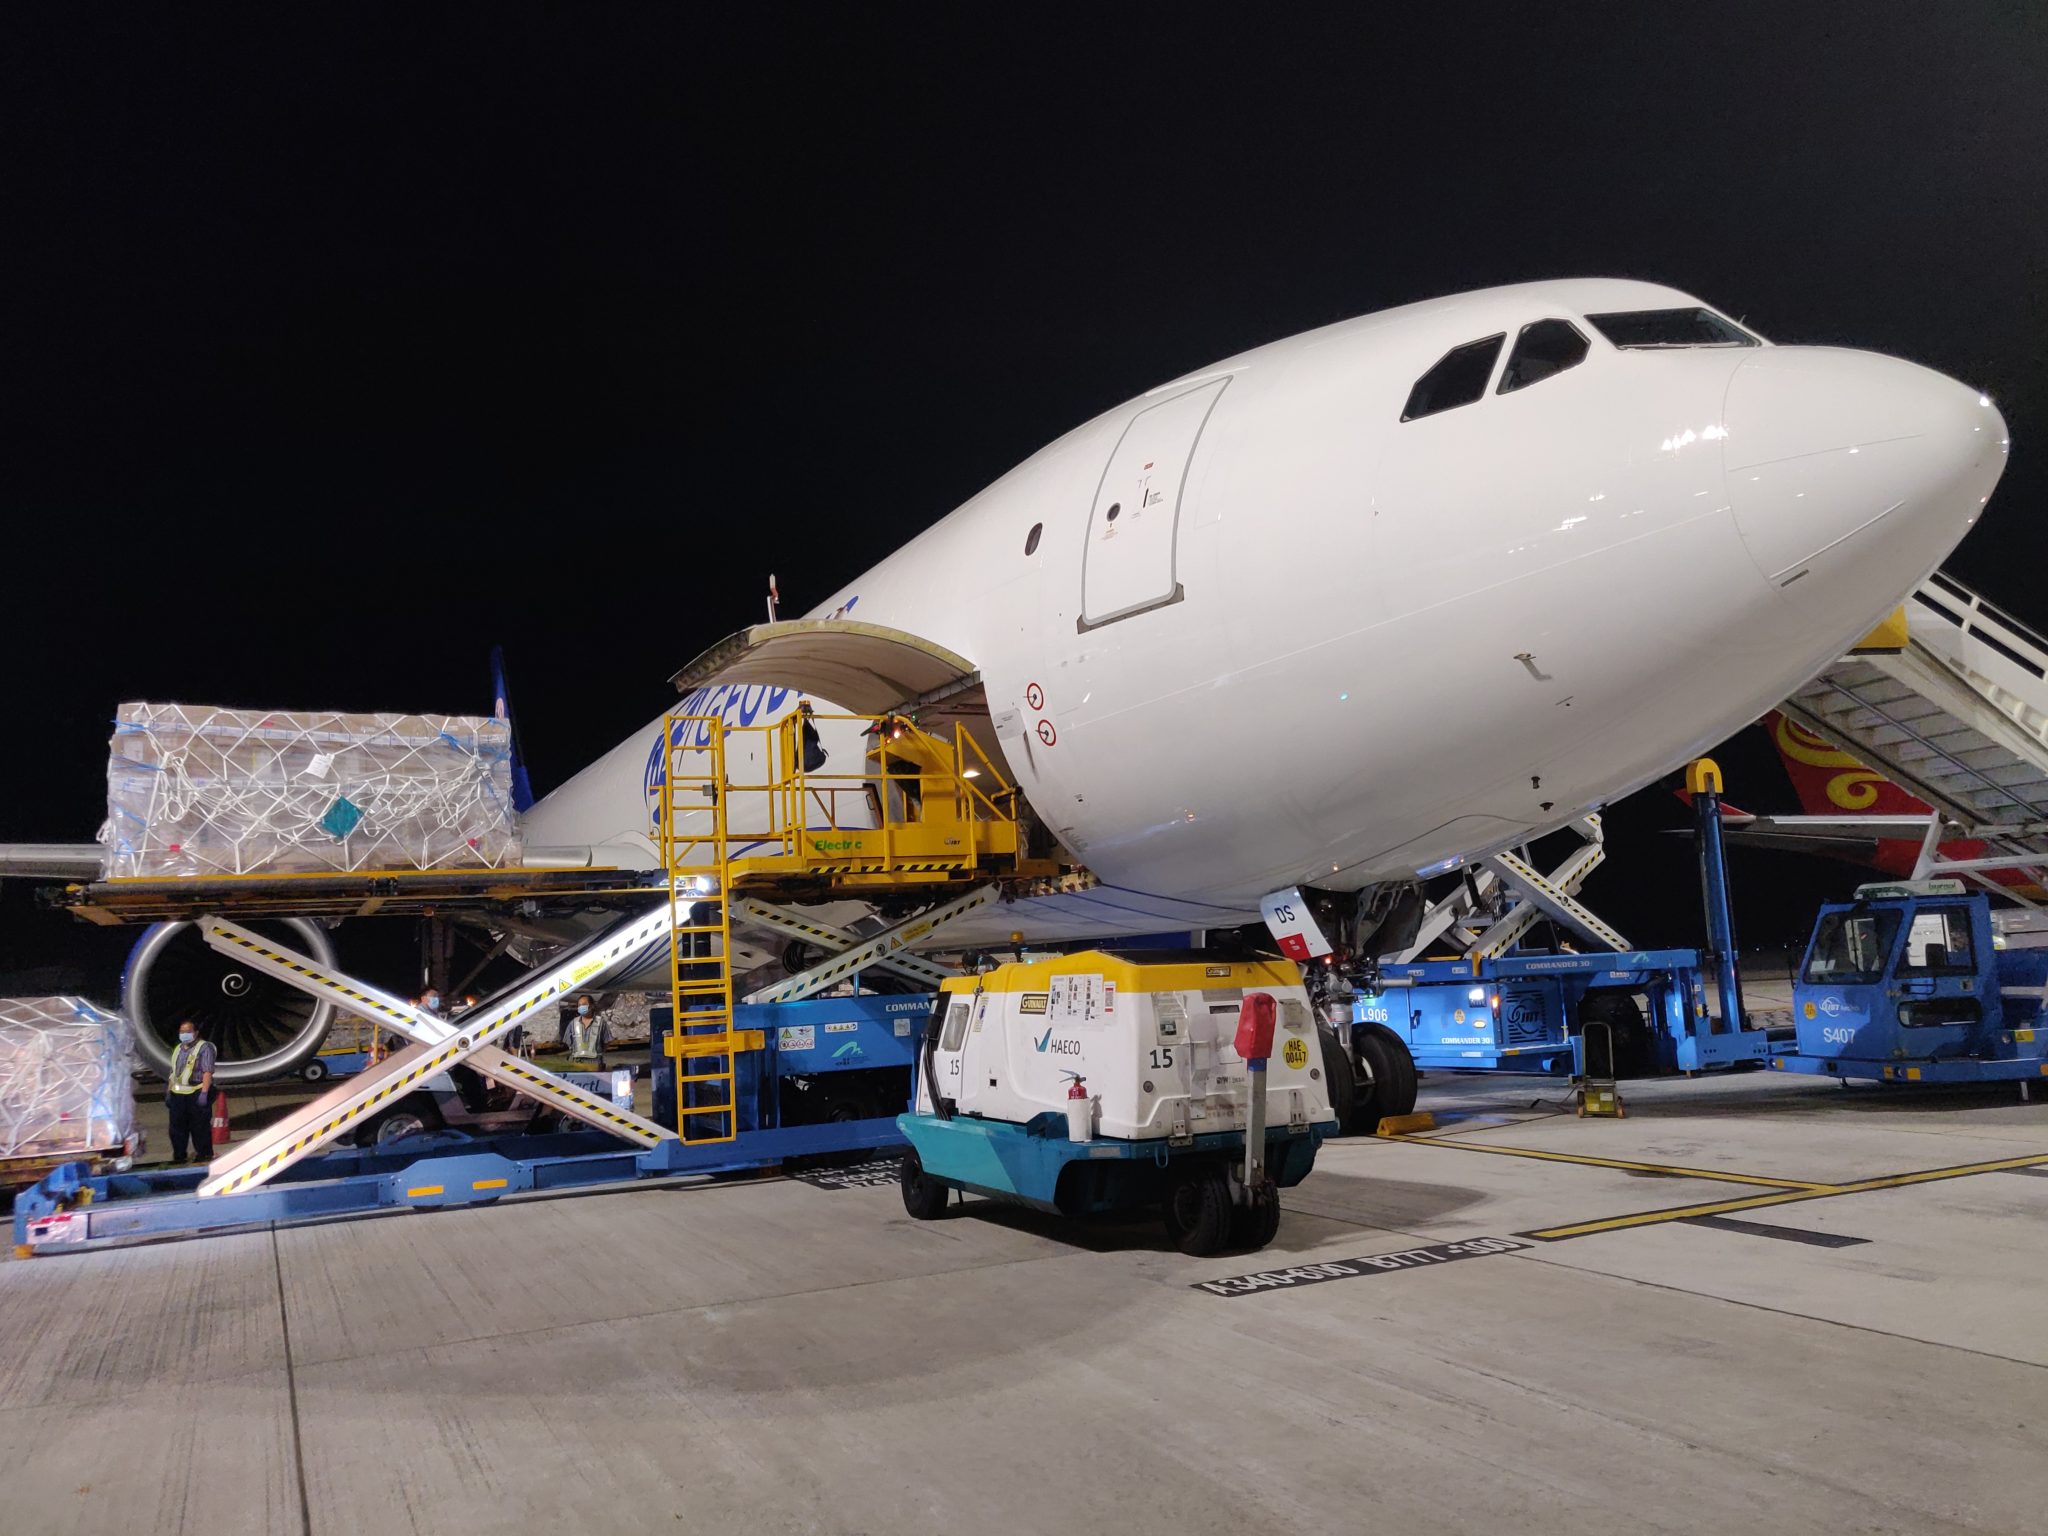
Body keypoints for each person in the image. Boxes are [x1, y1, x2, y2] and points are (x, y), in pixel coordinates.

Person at [164, 1019, 216, 1165]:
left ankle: (204, 1155)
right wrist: (169, 1091)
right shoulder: (178, 1049)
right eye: (182, 1032)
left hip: (196, 1092)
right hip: (178, 1094)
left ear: (196, 1033)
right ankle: (179, 1156)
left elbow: (207, 1072)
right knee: (176, 1129)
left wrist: (204, 1093)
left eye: (188, 1031)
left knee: (199, 1127)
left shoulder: (204, 1048)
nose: (184, 1034)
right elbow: (173, 1073)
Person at [567, 994, 607, 1069]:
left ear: (591, 1006)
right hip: (577, 1063)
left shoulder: (601, 1023)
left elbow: (607, 1041)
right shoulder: (573, 1023)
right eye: (579, 1005)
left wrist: (599, 1052)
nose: (581, 1007)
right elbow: (568, 1042)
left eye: (584, 1004)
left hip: (595, 1063)